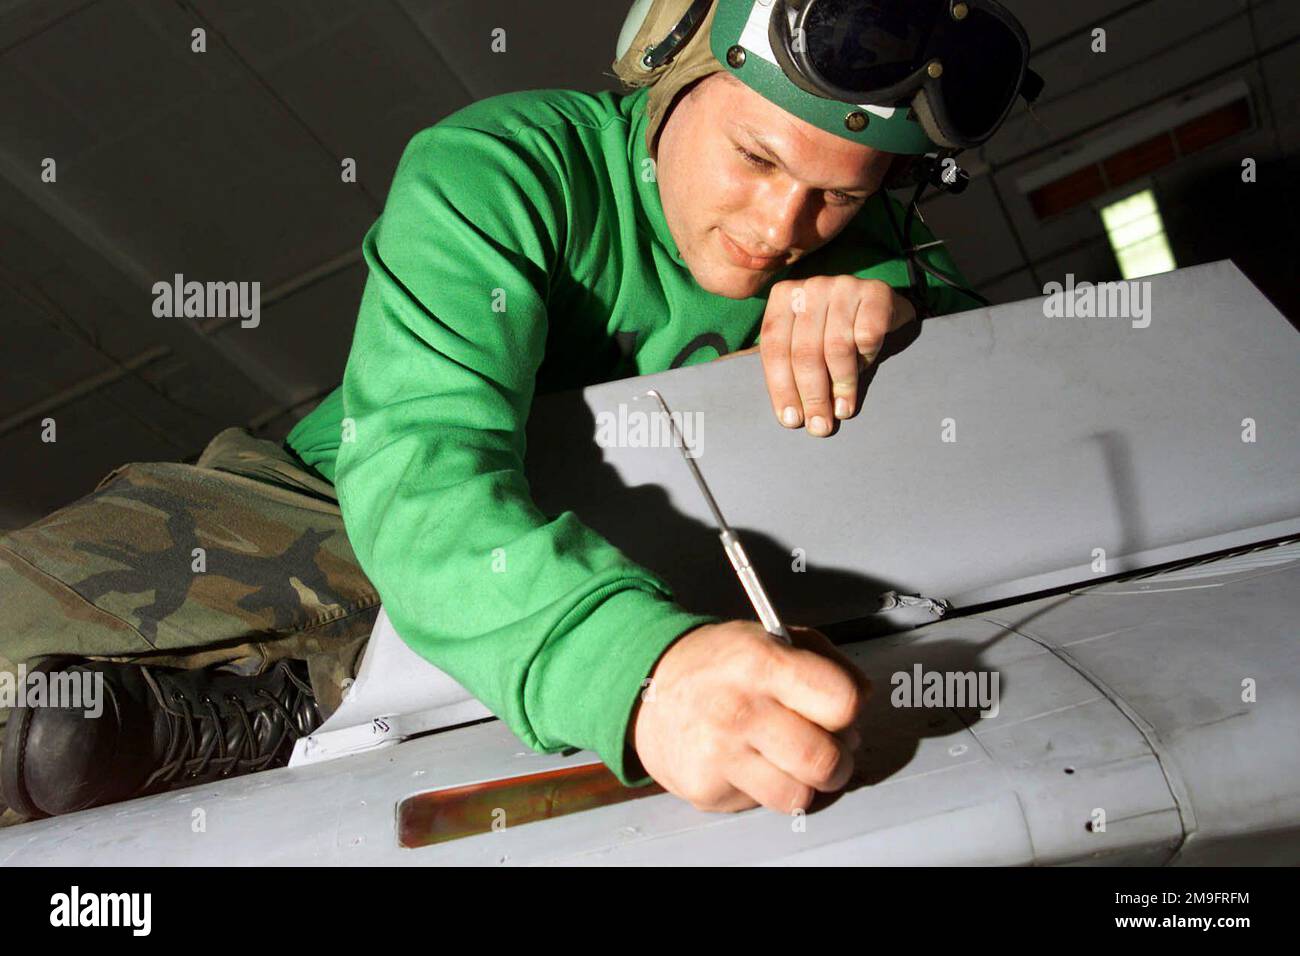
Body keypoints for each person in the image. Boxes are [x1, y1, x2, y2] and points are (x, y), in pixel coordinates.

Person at [0, 0, 1040, 822]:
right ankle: (281, 694)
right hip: (316, 512)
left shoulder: (882, 263)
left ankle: (289, 692)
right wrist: (640, 678)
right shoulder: (506, 166)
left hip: (633, 557)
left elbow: (1025, 427)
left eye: (841, 197)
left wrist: (910, 319)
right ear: (671, 65)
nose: (781, 228)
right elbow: (418, 465)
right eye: (756, 158)